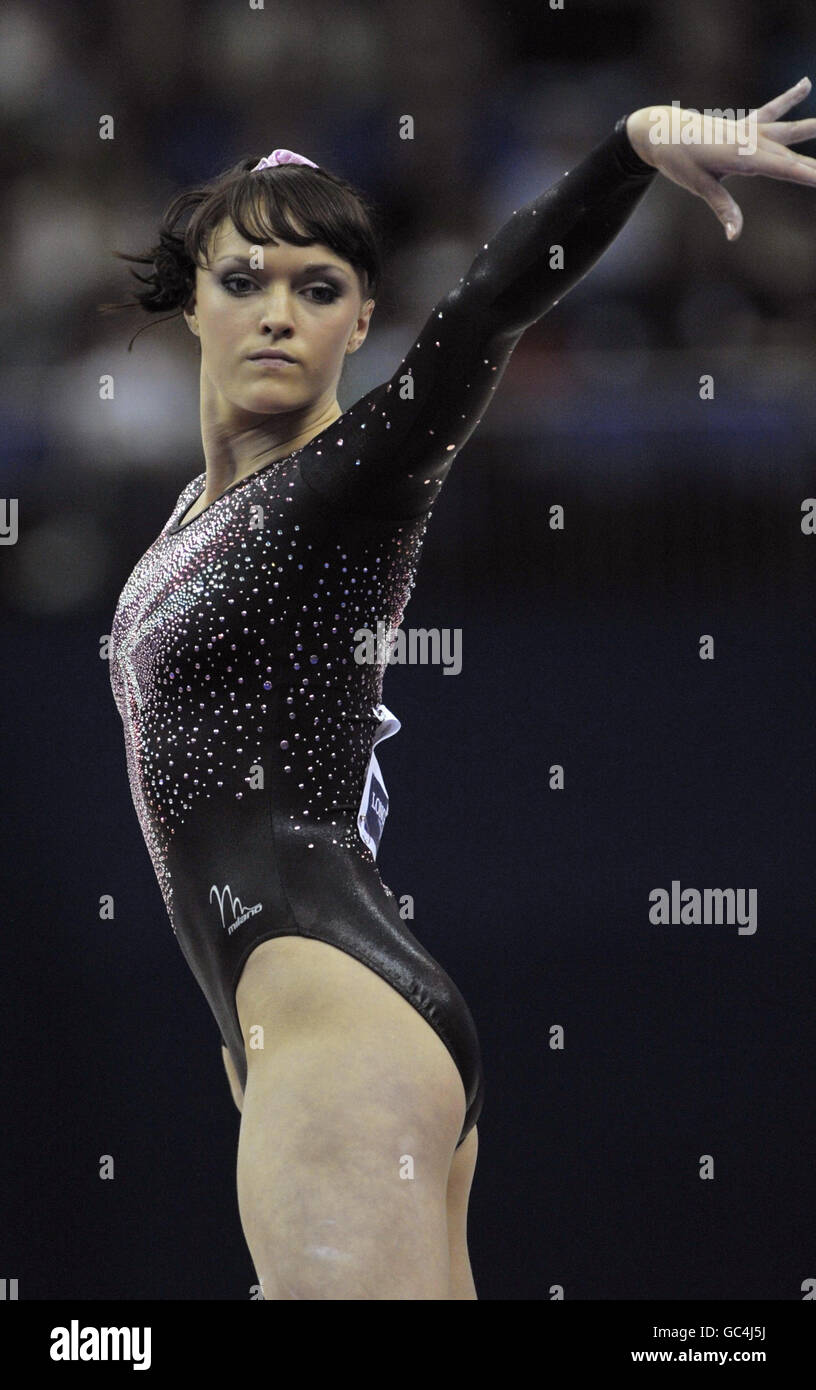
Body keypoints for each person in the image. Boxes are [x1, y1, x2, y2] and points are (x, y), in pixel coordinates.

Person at [106, 79, 816, 1299]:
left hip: (334, 1017)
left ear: (359, 317)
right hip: (316, 1020)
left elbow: (485, 314)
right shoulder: (184, 521)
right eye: (245, 281)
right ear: (191, 304)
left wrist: (629, 149)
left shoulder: (347, 481)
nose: (280, 313)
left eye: (318, 289)